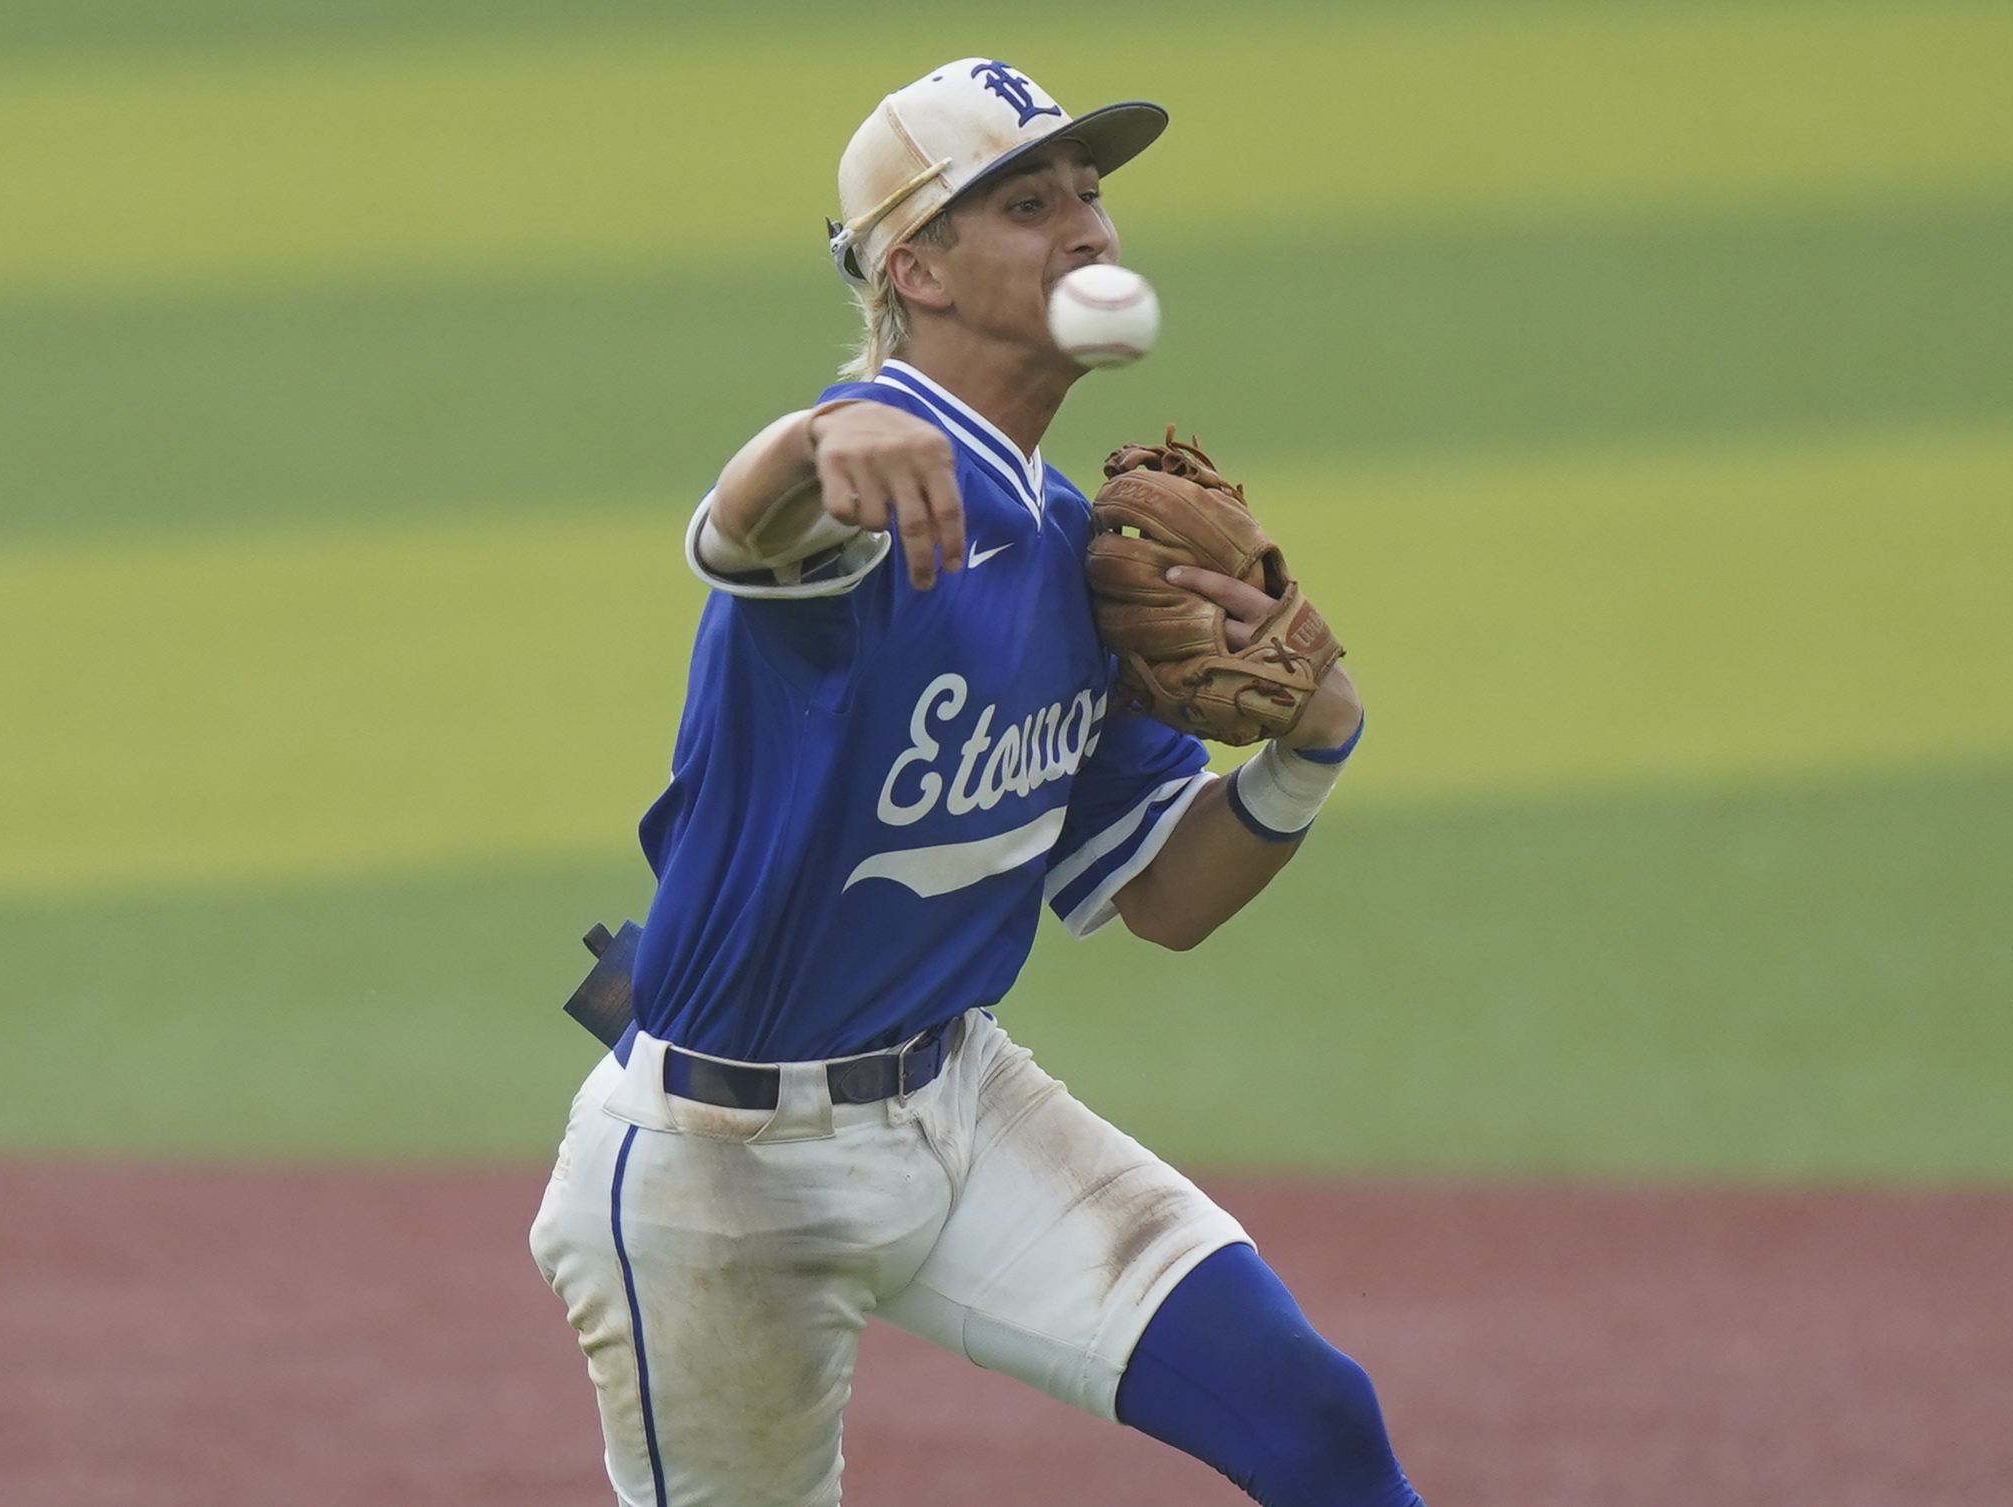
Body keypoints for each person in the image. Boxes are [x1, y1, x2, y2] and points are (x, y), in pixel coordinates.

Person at [529, 58, 1424, 1507]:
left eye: (1089, 193)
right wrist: (825, 434)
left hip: (959, 1100)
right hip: (721, 1173)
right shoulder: (867, 499)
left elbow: (1163, 898)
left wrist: (1309, 755)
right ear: (915, 271)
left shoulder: (1081, 548)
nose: (1087, 229)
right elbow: (747, 524)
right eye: (1026, 201)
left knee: (1314, 1419)